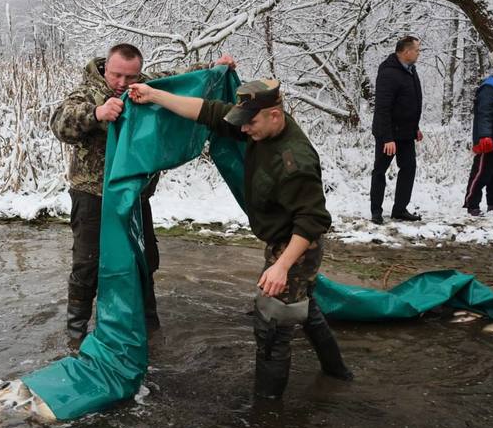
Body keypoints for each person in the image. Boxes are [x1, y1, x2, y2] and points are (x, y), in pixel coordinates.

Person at [127, 78, 353, 399]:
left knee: (273, 328)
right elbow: (207, 111)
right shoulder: (262, 127)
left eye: (251, 123)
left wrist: (282, 267)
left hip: (296, 245)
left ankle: (266, 419)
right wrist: (154, 94)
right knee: (305, 307)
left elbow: (313, 222)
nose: (244, 130)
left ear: (275, 115)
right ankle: (337, 373)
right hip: (283, 240)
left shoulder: (295, 160)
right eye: (243, 122)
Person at [50, 43, 235, 341]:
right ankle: (76, 332)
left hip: (135, 195)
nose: (123, 83)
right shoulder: (85, 93)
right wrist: (97, 113)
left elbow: (181, 78)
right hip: (93, 195)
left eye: (130, 77)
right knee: (88, 264)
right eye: (117, 76)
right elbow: (60, 124)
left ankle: (148, 326)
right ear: (105, 68)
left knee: (144, 260)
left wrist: (216, 67)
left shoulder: (145, 88)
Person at [369, 36, 424, 225]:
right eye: (417, 50)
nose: (419, 53)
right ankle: (376, 211)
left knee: (409, 168)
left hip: (406, 133)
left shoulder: (410, 70)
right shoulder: (388, 73)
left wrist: (415, 127)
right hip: (389, 134)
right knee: (380, 170)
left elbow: (411, 102)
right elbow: (383, 108)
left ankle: (400, 209)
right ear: (406, 52)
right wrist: (387, 138)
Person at [463, 48, 493, 216]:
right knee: (482, 173)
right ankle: (471, 203)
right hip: (489, 140)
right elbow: (485, 112)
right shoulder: (491, 86)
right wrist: (484, 136)